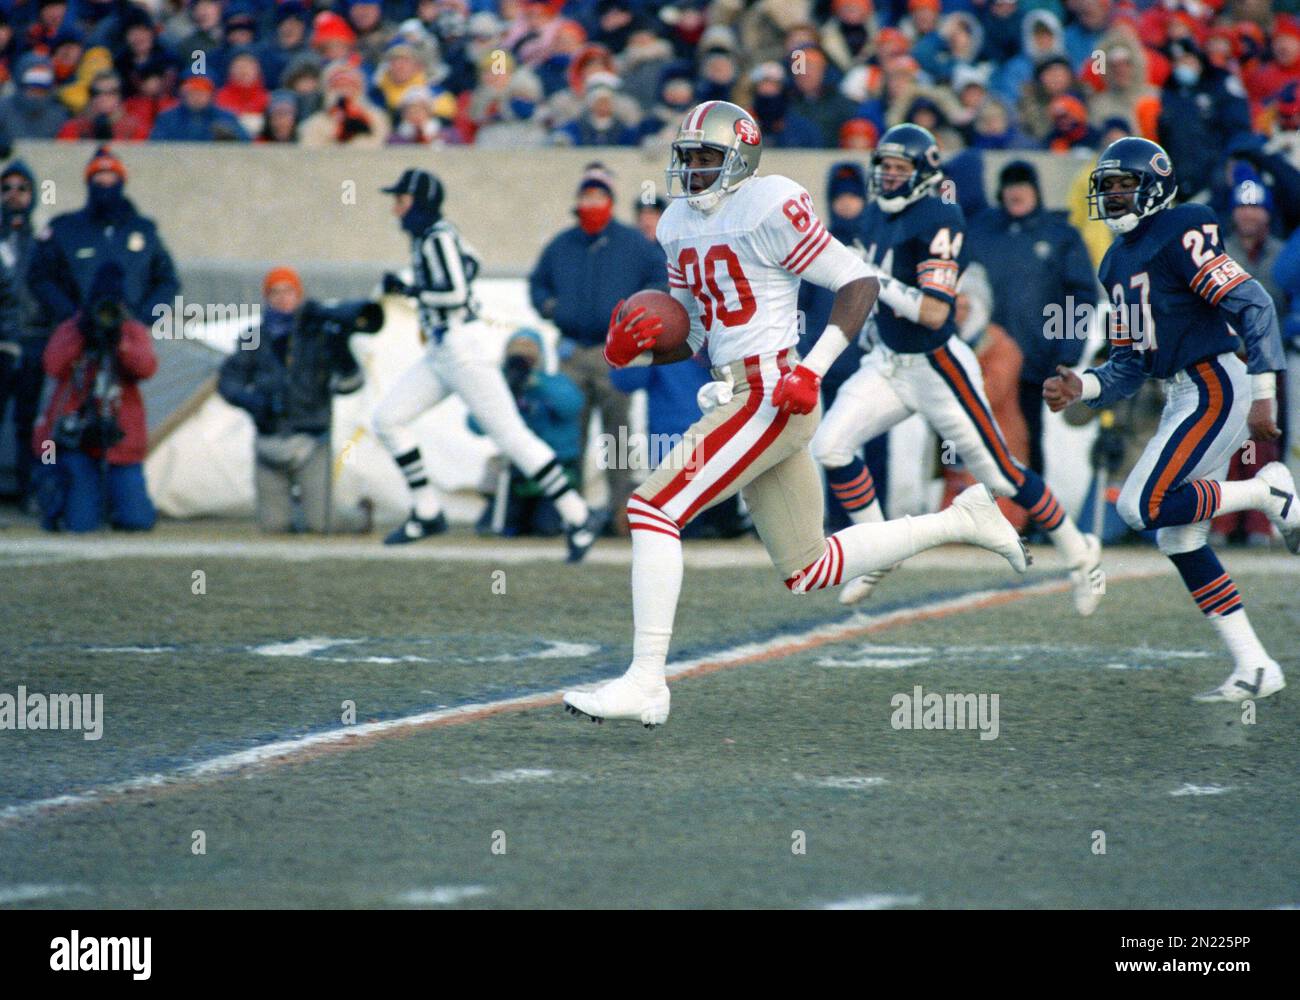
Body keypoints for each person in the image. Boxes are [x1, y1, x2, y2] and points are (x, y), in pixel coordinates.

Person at [562, 102, 1029, 727]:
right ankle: (961, 520)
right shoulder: (675, 221)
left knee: (652, 508)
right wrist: (640, 350)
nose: (693, 170)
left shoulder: (769, 204)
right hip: (738, 392)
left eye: (708, 158)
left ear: (742, 159)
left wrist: (812, 368)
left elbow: (857, 282)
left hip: (772, 391)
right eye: (688, 158)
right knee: (810, 567)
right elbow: (696, 330)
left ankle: (647, 681)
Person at [811, 126, 1103, 612]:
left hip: (936, 366)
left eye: (899, 170)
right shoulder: (876, 217)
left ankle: (1079, 550)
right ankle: (881, 549)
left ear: (924, 175)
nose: (887, 178)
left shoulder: (940, 218)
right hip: (888, 361)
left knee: (1003, 474)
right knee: (832, 446)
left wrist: (875, 280)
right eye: (883, 167)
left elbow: (934, 312)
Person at [1044, 137, 1294, 703]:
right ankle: (1256, 666)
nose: (1112, 197)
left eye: (1123, 185)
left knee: (1140, 506)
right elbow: (1132, 364)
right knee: (1179, 536)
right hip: (1184, 391)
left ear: (1155, 185)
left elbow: (1253, 303)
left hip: (1215, 382)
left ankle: (1264, 491)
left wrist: (1265, 394)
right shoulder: (1116, 262)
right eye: (1105, 187)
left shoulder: (1182, 229)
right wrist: (1081, 385)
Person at [372, 168, 602, 558]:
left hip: (462, 347)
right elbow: (473, 261)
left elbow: (457, 292)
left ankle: (577, 516)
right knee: (388, 420)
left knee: (511, 436)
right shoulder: (435, 235)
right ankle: (427, 510)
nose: (396, 208)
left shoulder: (437, 236)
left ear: (419, 202)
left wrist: (410, 289)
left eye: (402, 200)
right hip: (444, 350)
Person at [528, 163, 665, 527]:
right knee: (568, 431)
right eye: (586, 196)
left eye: (598, 196)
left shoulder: (633, 243)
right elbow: (538, 284)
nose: (591, 202)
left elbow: (660, 279)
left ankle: (621, 511)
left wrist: (637, 319)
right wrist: (550, 307)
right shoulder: (561, 244)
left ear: (610, 200)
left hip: (617, 354)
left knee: (618, 434)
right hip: (573, 352)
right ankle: (568, 510)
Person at [968, 159, 1099, 476]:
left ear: (1036, 191)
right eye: (1010, 186)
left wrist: (1067, 349)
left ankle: (1033, 517)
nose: (1016, 193)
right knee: (976, 441)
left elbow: (1080, 295)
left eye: (1023, 186)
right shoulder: (981, 230)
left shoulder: (1060, 235)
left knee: (1026, 439)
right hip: (982, 359)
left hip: (1033, 358)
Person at [217, 267, 371, 533]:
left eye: (288, 291)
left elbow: (350, 384)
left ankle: (360, 517)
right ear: (266, 297)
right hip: (269, 437)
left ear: (299, 294)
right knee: (273, 527)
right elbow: (229, 380)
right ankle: (300, 507)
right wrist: (252, 401)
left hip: (311, 438)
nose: (282, 298)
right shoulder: (255, 336)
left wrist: (341, 348)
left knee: (321, 524)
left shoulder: (318, 336)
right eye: (275, 292)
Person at [32, 262, 157, 533]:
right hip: (76, 437)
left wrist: (120, 341)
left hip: (119, 434)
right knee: (81, 525)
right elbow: (53, 365)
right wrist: (83, 332)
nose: (105, 315)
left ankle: (118, 505)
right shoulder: (73, 327)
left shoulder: (132, 329)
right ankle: (65, 505)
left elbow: (146, 368)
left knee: (137, 521)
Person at [28, 146, 179, 335]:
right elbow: (40, 277)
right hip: (76, 329)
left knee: (143, 362)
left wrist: (143, 318)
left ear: (121, 180)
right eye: (99, 176)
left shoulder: (144, 230)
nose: (105, 182)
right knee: (56, 361)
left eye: (111, 176)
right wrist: (69, 315)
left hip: (130, 329)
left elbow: (167, 279)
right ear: (89, 181)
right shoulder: (65, 229)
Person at [472, 328, 585, 537]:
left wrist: (538, 384)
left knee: (546, 528)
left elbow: (572, 407)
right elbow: (475, 425)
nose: (523, 358)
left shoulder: (554, 382)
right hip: (517, 474)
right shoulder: (501, 386)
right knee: (497, 527)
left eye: (529, 352)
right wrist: (505, 392)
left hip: (554, 471)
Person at [0, 160, 45, 505]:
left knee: (29, 419)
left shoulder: (44, 240)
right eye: (7, 188)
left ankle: (28, 486)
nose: (14, 195)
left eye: (21, 188)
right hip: (3, 340)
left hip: (32, 338)